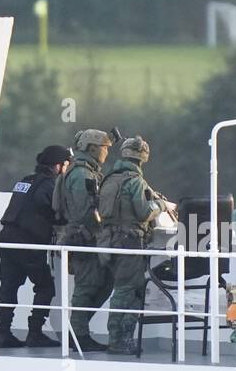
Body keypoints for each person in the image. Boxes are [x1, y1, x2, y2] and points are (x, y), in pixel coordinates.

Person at [99, 136, 169, 356]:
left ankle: (120, 339)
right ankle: (118, 340)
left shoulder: (110, 179)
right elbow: (144, 212)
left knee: (124, 290)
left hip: (111, 240)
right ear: (142, 159)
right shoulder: (135, 181)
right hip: (129, 242)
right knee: (127, 291)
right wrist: (160, 204)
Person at [0, 144, 71, 349]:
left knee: (8, 287)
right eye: (66, 164)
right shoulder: (50, 186)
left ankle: (3, 334)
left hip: (7, 238)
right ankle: (35, 333)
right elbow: (58, 214)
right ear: (58, 166)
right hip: (28, 242)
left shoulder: (25, 181)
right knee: (45, 287)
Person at [52, 129, 113, 352]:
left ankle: (78, 330)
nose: (107, 151)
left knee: (103, 284)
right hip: (83, 237)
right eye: (104, 147)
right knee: (86, 286)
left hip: (89, 237)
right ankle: (77, 335)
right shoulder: (81, 175)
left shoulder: (88, 171)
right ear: (92, 148)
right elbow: (84, 210)